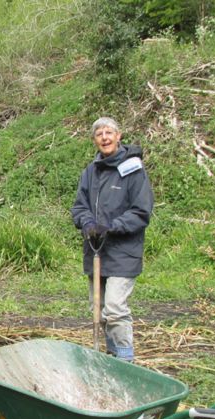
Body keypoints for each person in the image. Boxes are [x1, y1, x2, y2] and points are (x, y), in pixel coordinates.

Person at [70, 117, 154, 362]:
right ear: (94, 140)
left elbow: (141, 211)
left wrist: (111, 227)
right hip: (96, 250)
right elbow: (79, 206)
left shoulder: (133, 170)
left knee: (115, 309)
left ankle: (125, 360)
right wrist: (88, 223)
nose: (104, 138)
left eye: (109, 133)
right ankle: (111, 355)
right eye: (99, 134)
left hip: (124, 252)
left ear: (119, 136)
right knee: (98, 309)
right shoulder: (90, 172)